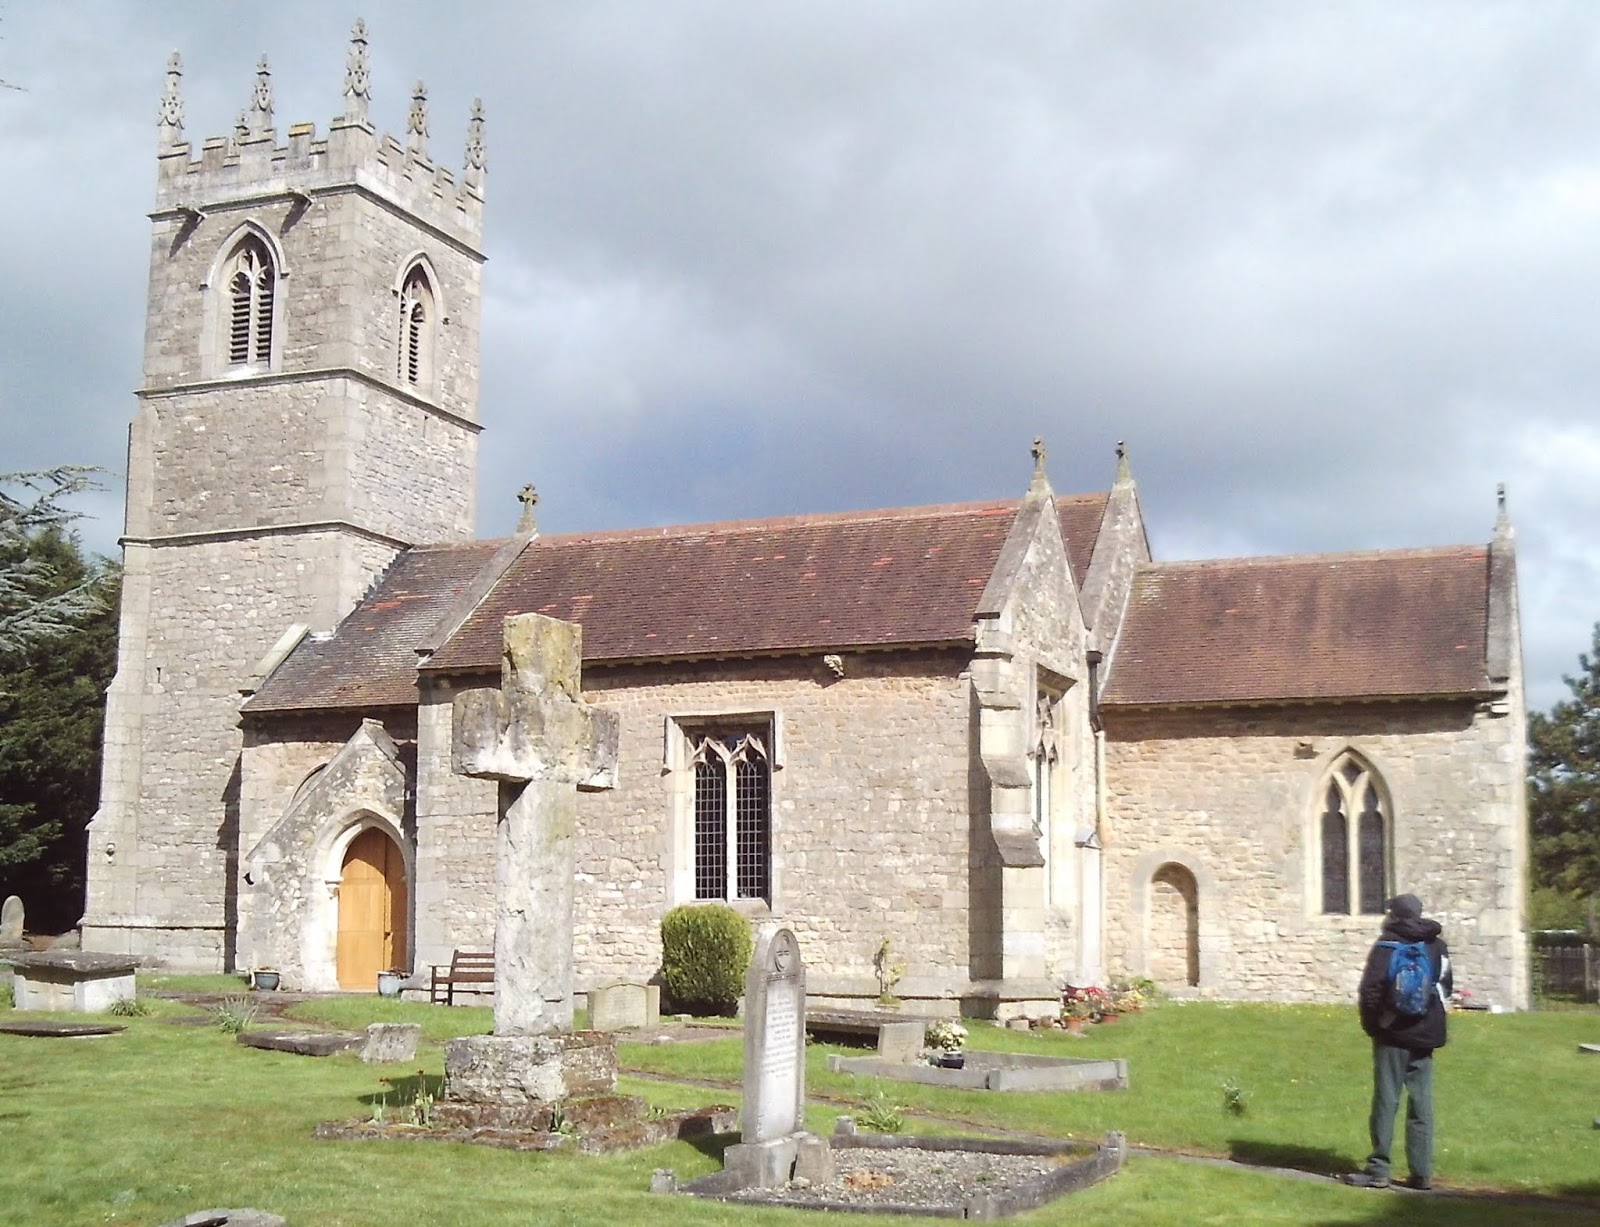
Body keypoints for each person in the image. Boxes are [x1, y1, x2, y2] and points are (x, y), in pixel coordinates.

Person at [1343, 893, 1452, 1191]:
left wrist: (1374, 1025)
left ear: (1394, 915)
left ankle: (1379, 1168)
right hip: (1426, 1033)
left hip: (1392, 1034)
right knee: (1422, 1103)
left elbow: (1371, 991)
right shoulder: (1437, 945)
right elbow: (1445, 987)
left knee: (1387, 1100)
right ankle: (1422, 1173)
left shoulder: (1386, 946)